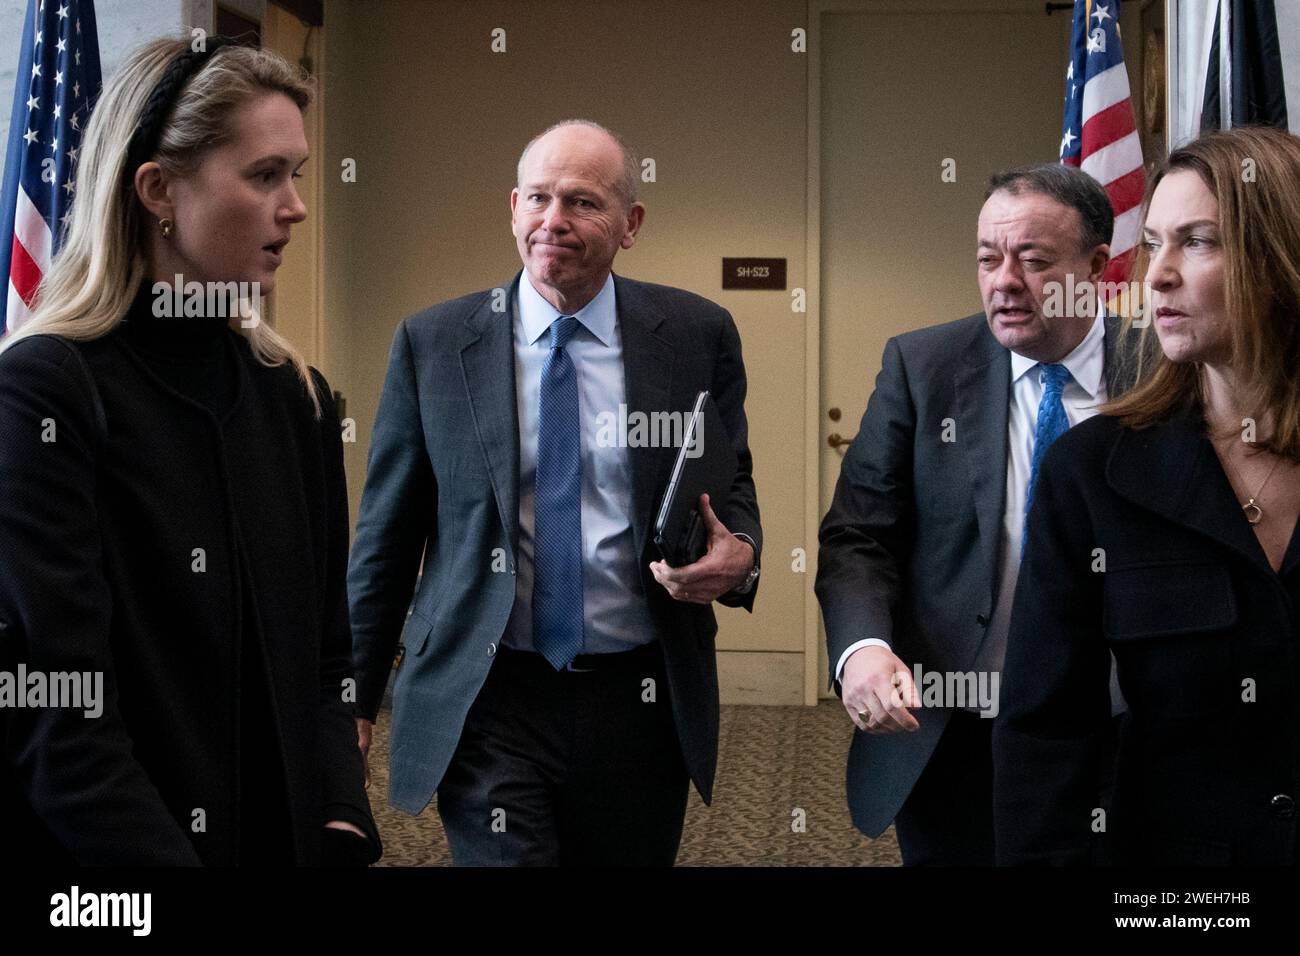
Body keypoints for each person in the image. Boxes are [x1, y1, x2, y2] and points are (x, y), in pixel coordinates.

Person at [0, 37, 380, 866]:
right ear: (158, 189)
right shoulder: (45, 393)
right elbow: (58, 710)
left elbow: (326, 658)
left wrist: (342, 814)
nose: (296, 206)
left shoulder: (296, 397)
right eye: (264, 174)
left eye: (299, 174)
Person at [348, 119, 761, 866]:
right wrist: (352, 697)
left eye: (582, 202)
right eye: (537, 198)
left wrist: (742, 557)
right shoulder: (436, 344)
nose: (553, 221)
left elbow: (728, 488)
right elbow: (388, 533)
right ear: (512, 208)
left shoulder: (696, 334)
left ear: (630, 224)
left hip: (640, 695)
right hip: (490, 693)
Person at [994, 126, 1300, 866]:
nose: (1156, 275)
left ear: (1280, 258)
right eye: (1153, 242)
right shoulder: (1094, 472)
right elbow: (1046, 740)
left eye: (1196, 242)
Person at [816, 163, 1131, 865]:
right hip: (956, 732)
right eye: (988, 259)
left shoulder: (1164, 373)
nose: (1004, 282)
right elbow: (858, 536)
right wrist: (862, 648)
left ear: (1098, 266)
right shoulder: (924, 366)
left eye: (1034, 261)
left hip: (1116, 733)